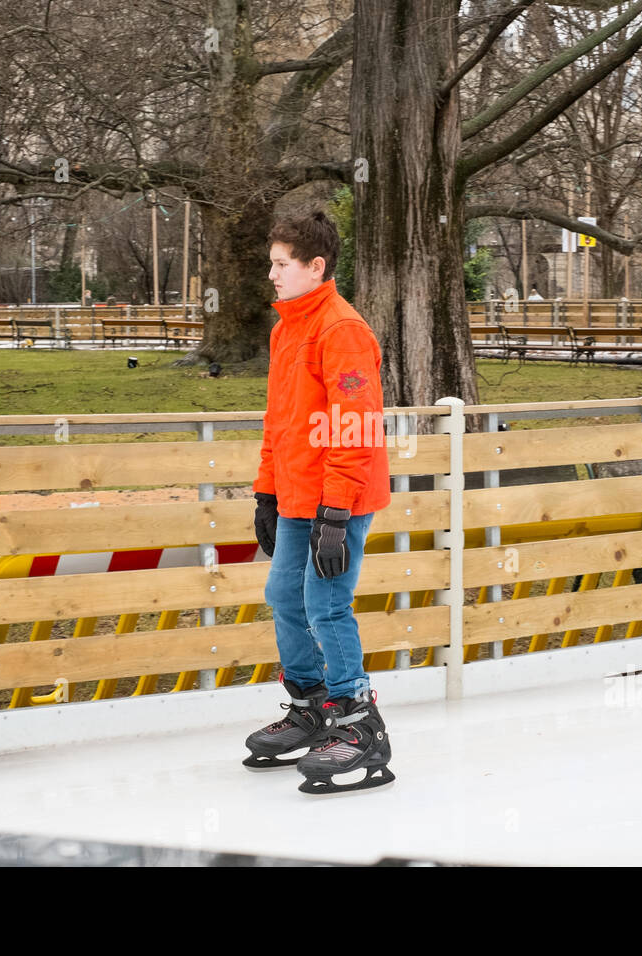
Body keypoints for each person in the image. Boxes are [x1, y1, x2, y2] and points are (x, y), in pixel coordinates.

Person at [243, 210, 396, 795]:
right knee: (284, 595)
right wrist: (265, 490)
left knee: (325, 604)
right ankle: (311, 708)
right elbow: (278, 421)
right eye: (272, 263)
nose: (273, 274)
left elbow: (355, 427)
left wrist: (335, 512)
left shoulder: (341, 331)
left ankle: (359, 723)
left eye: (282, 264)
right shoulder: (287, 328)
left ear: (316, 267)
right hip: (295, 496)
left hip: (339, 499)